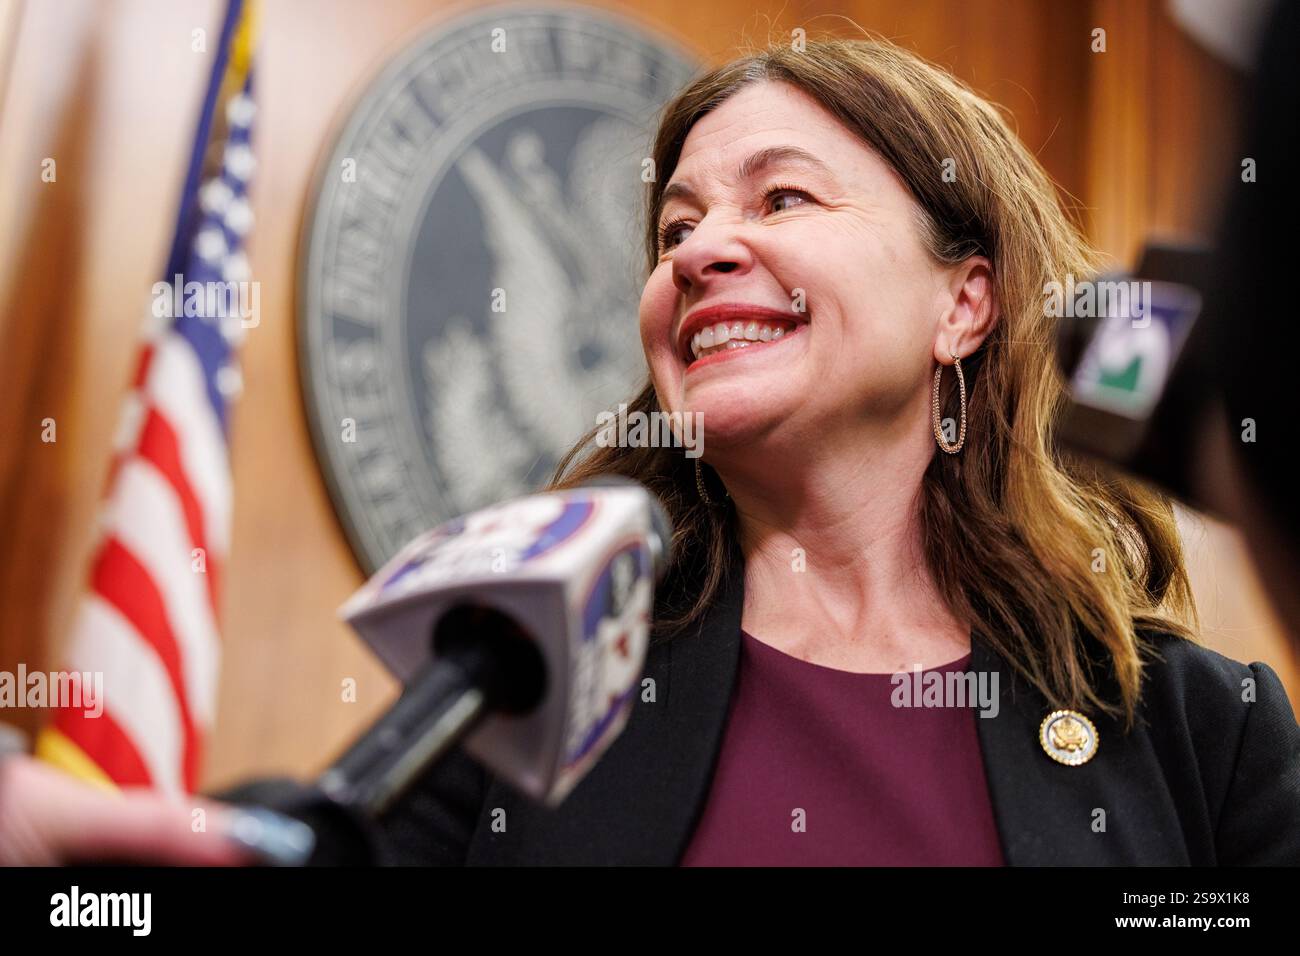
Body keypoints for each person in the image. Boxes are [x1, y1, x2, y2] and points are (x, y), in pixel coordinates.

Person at [376, 35, 1300, 865]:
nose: (696, 257)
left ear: (964, 304)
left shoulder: (1206, 729)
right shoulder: (532, 666)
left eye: (784, 197)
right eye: (676, 230)